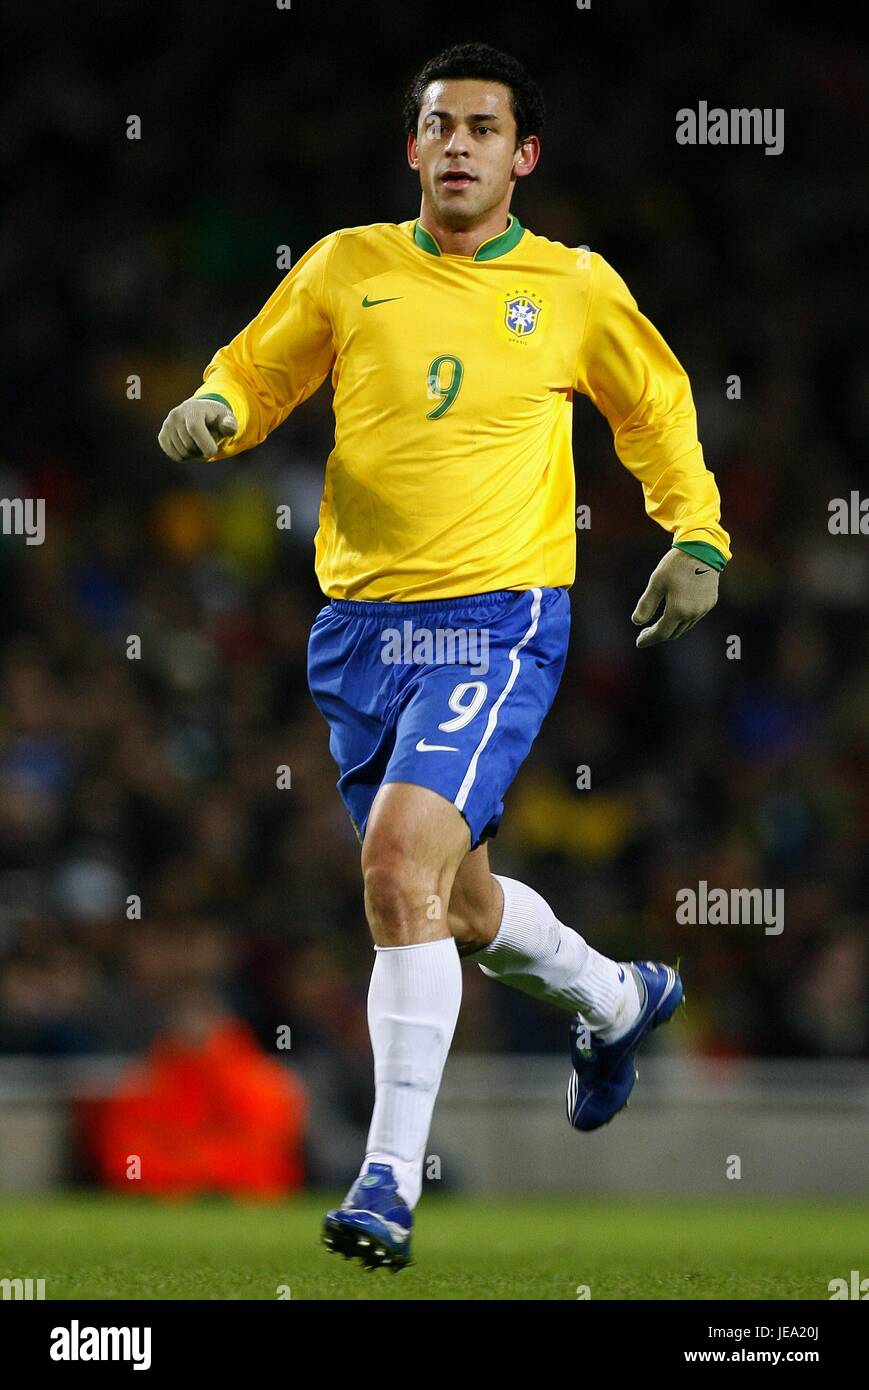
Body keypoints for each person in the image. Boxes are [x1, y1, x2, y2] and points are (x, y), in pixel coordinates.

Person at [158, 41, 731, 1271]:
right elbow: (258, 372)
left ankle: (384, 1176)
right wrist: (219, 409)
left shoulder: (571, 284)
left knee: (394, 861)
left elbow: (654, 403)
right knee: (449, 901)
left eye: (483, 127)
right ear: (410, 147)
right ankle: (619, 1000)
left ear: (522, 156)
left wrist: (697, 530)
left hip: (497, 615)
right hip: (356, 628)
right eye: (439, 125)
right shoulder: (344, 266)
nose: (459, 144)